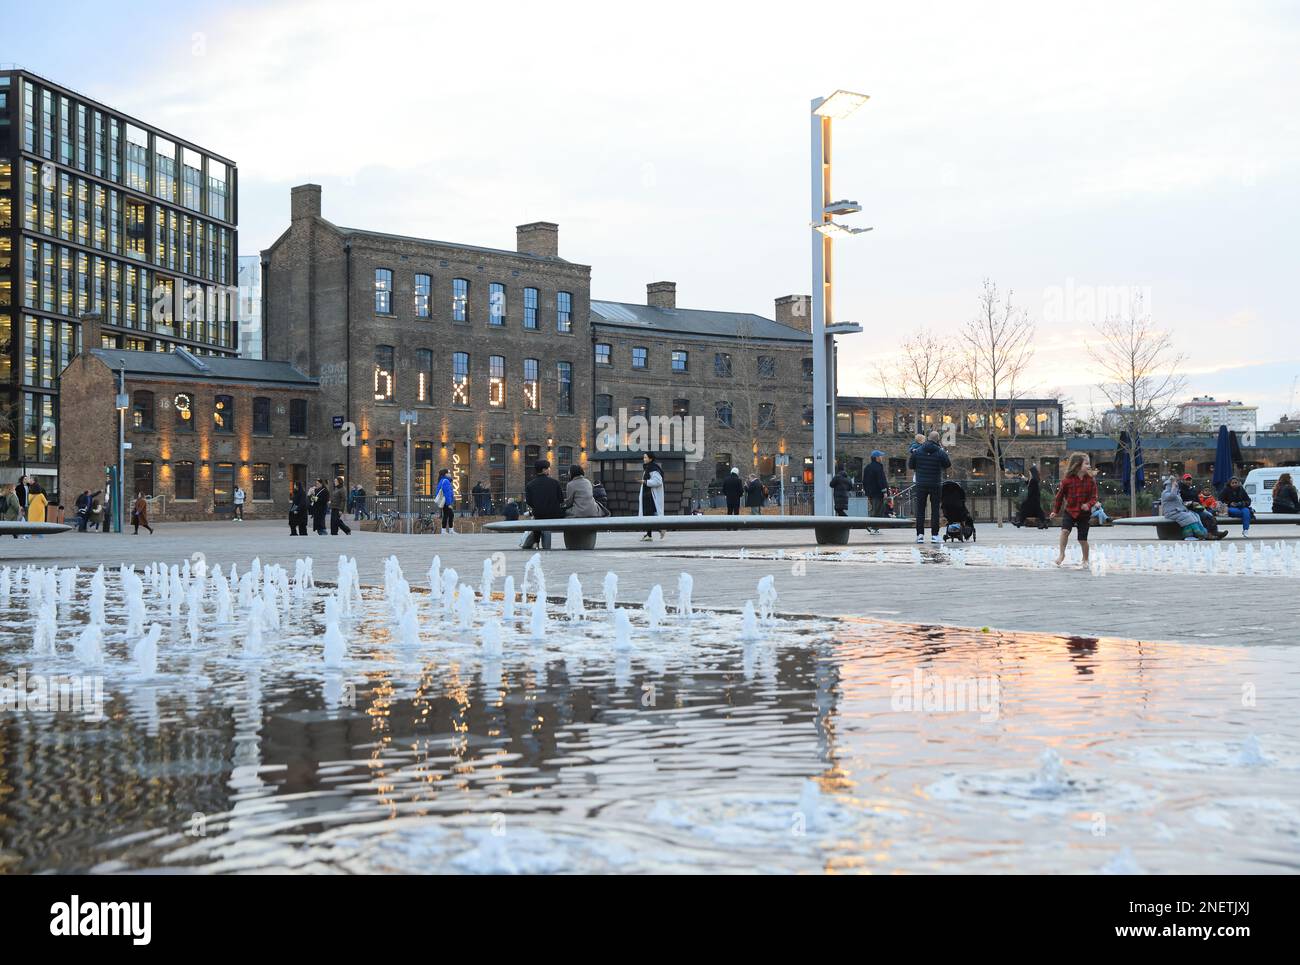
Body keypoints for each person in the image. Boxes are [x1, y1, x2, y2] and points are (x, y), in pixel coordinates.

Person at [1050, 452, 1099, 566]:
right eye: (1086, 463)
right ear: (1077, 465)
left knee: (1082, 539)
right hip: (1070, 511)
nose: (1089, 466)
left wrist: (1088, 505)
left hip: (1084, 514)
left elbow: (1094, 497)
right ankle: (1062, 554)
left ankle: (1085, 559)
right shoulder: (1067, 481)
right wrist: (1055, 511)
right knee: (1065, 531)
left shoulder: (1091, 481)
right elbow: (1059, 497)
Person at [908, 430, 951, 544]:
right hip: (935, 484)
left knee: (920, 510)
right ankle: (935, 535)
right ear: (938, 440)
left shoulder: (918, 451)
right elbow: (948, 464)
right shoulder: (940, 451)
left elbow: (910, 465)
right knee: (935, 510)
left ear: (927, 438)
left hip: (921, 484)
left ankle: (920, 535)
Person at [523, 459, 566, 549]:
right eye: (548, 468)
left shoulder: (530, 485)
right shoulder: (555, 483)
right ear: (543, 470)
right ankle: (540, 543)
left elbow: (529, 502)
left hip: (538, 513)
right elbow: (561, 500)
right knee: (543, 519)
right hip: (554, 513)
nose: (549, 469)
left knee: (537, 518)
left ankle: (535, 541)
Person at [1159, 475, 1209, 540]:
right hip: (1171, 513)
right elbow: (1172, 496)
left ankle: (1202, 533)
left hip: (1177, 511)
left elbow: (1180, 504)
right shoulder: (1165, 493)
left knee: (1194, 515)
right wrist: (1174, 486)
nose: (1176, 487)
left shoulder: (1176, 493)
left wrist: (1186, 508)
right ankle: (1189, 535)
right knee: (1188, 517)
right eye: (1174, 486)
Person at [639, 451, 666, 539]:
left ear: (650, 458)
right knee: (648, 515)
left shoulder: (653, 469)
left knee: (651, 514)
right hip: (647, 495)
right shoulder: (648, 468)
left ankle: (660, 529)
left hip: (651, 496)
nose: (644, 459)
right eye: (644, 457)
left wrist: (646, 482)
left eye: (645, 457)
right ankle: (649, 534)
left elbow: (658, 481)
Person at [863, 451, 888, 533]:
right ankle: (871, 526)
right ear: (877, 457)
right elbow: (881, 480)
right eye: (881, 456)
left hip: (870, 493)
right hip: (878, 492)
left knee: (874, 509)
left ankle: (874, 527)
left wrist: (867, 492)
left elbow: (864, 481)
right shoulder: (878, 467)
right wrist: (884, 491)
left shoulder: (867, 467)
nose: (882, 458)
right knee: (877, 510)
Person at [435, 469, 455, 533]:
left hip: (444, 501)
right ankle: (449, 530)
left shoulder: (441, 480)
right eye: (449, 472)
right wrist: (449, 503)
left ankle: (444, 530)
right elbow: (447, 493)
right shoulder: (446, 481)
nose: (450, 474)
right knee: (451, 514)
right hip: (446, 501)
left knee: (446, 515)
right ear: (446, 474)